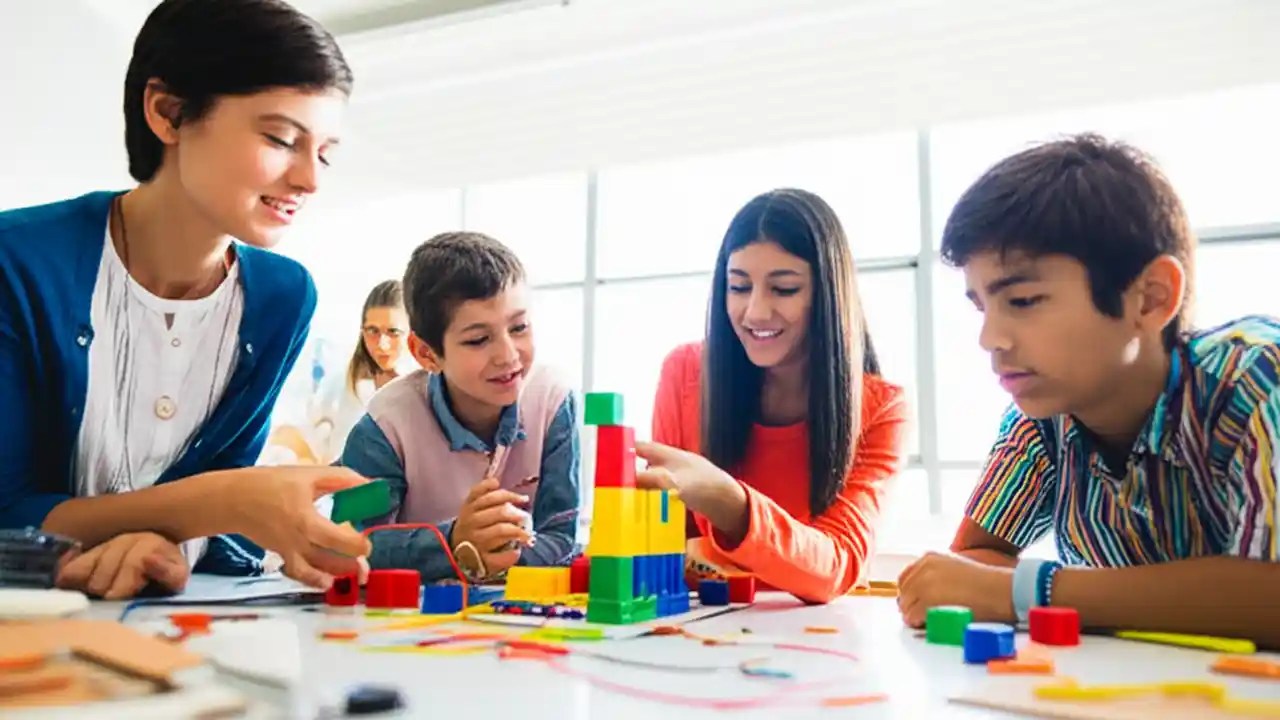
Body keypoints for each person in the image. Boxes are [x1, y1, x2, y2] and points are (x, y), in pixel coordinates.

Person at [0, 0, 370, 600]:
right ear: (168, 113)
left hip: (168, 640)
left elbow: (221, 528)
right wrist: (225, 502)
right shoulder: (16, 262)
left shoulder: (283, 298)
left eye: (325, 152)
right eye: (281, 138)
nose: (311, 179)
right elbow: (6, 514)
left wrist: (178, 541)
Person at [896, 134, 1280, 648]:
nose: (990, 339)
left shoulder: (1254, 379)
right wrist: (992, 587)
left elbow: (1270, 591)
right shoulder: (1042, 417)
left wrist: (1033, 590)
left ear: (1150, 298)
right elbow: (969, 571)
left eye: (1025, 300)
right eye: (980, 307)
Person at [636, 188, 908, 603]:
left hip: (820, 639)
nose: (756, 312)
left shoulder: (883, 408)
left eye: (783, 289)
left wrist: (728, 502)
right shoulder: (686, 372)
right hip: (704, 630)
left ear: (828, 295)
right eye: (739, 287)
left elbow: (836, 565)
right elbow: (669, 549)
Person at [341, 232, 580, 582]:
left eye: (519, 327)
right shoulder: (385, 426)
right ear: (426, 353)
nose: (508, 355)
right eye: (478, 340)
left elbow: (563, 538)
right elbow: (352, 543)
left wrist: (498, 553)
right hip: (409, 626)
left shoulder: (553, 400)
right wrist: (452, 542)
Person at [309, 280, 411, 464]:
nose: (382, 344)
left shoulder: (429, 389)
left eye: (393, 332)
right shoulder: (340, 386)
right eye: (373, 331)